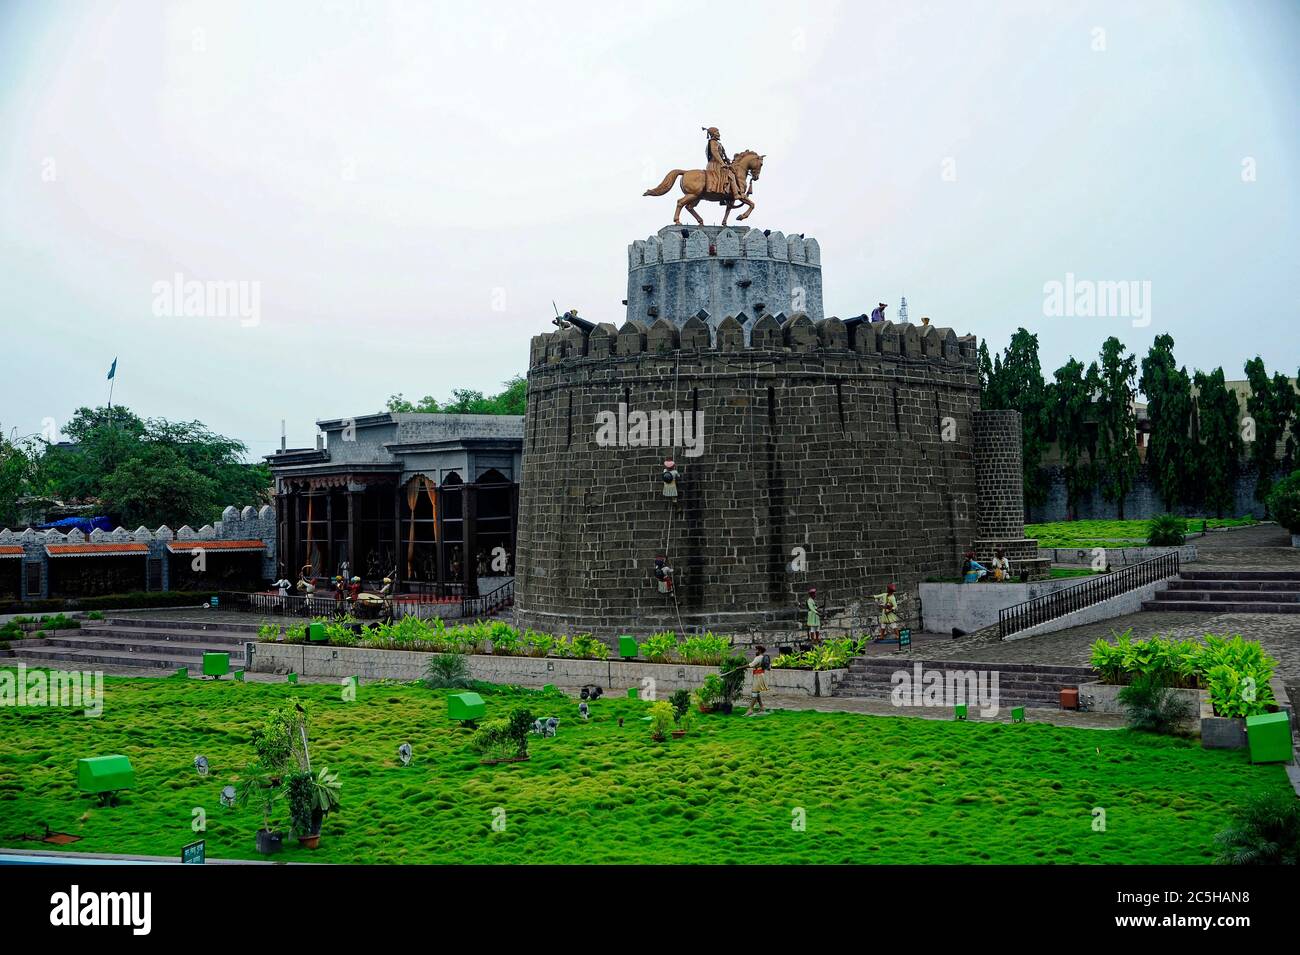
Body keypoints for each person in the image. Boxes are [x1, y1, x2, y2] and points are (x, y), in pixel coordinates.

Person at [745, 645, 771, 716]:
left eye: (756, 650)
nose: (755, 651)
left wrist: (740, 667)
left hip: (758, 676)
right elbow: (769, 667)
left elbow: (751, 665)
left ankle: (750, 709)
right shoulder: (764, 657)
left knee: (754, 692)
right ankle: (762, 707)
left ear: (759, 650)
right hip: (761, 675)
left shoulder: (758, 657)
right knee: (757, 692)